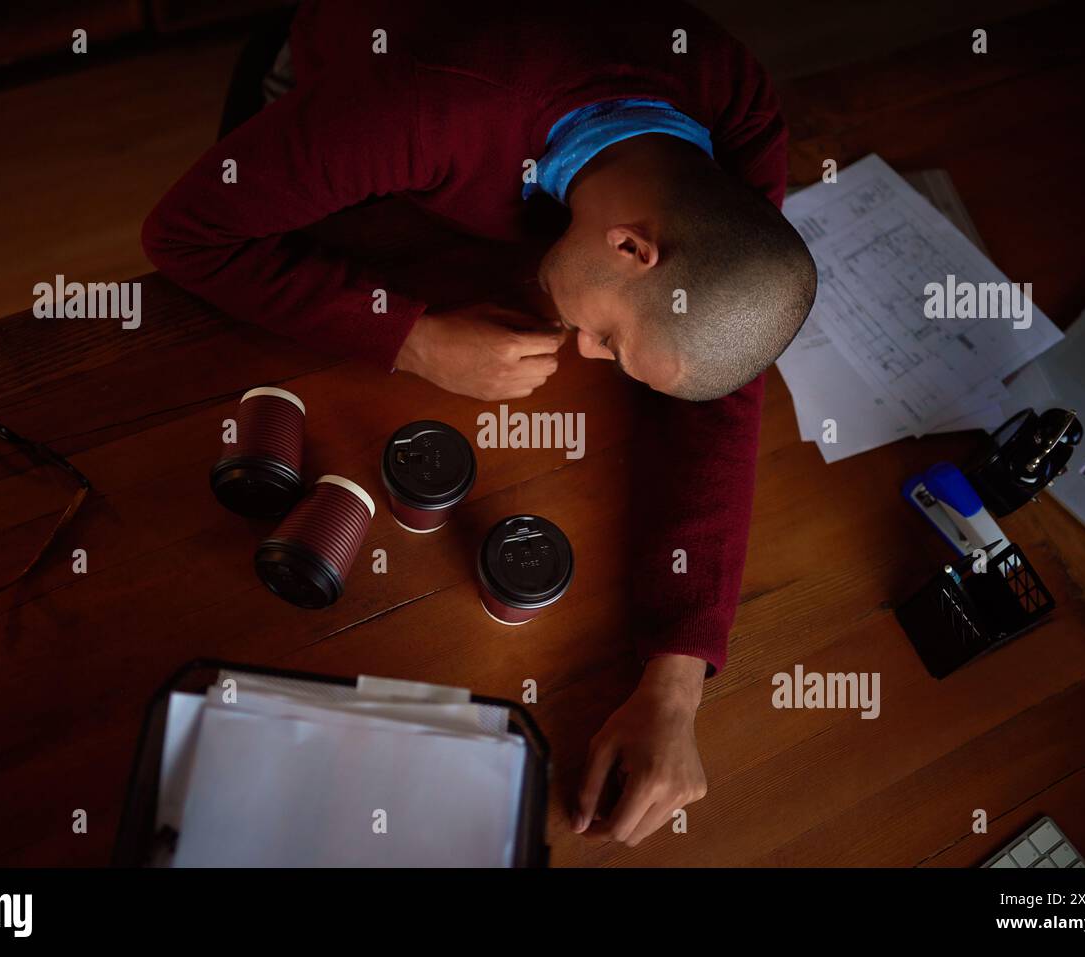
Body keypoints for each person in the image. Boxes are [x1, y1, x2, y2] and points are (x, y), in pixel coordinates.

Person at [143, 0, 816, 849]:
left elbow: (715, 376)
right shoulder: (421, 104)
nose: (591, 358)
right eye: (610, 339)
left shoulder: (737, 111)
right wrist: (412, 338)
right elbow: (186, 234)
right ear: (631, 248)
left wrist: (676, 679)